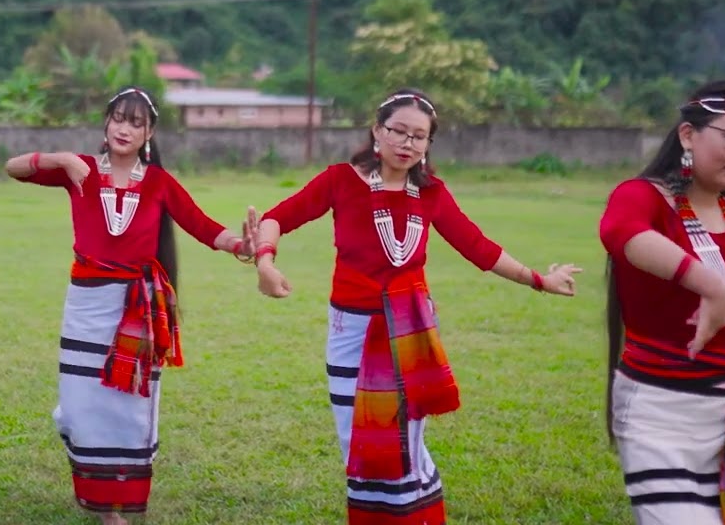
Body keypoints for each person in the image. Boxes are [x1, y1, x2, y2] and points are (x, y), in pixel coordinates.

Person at [248, 88, 580, 525]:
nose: (407, 143)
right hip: (352, 330)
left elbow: (478, 247)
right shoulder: (340, 180)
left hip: (411, 331)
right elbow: (277, 217)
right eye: (398, 131)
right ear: (376, 132)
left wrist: (540, 280)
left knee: (403, 445)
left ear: (428, 144)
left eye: (419, 136)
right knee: (360, 445)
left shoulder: (432, 194)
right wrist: (265, 262)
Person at [4, 86, 254, 525]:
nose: (124, 128)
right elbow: (13, 168)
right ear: (106, 123)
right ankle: (93, 480)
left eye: (135, 122)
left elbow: (201, 225)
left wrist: (240, 244)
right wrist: (59, 158)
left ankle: (111, 506)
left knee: (127, 407)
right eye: (118, 118)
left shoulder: (159, 182)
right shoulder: (79, 169)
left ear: (149, 133)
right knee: (78, 408)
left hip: (135, 308)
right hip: (85, 305)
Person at [600, 80, 725, 525]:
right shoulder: (643, 197)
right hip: (659, 416)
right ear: (688, 135)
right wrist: (710, 284)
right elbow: (621, 234)